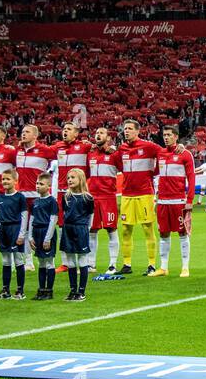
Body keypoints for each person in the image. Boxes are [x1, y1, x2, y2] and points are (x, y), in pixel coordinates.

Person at [115, 119, 164, 275]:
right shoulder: (122, 148)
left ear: (137, 131)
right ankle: (127, 264)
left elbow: (164, 153)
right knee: (125, 230)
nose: (126, 131)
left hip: (145, 194)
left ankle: (151, 265)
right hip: (127, 195)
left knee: (147, 228)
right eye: (125, 129)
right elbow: (119, 166)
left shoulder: (148, 146)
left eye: (130, 128)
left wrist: (154, 172)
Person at [151, 124, 196, 278]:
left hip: (179, 201)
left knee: (182, 233)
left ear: (176, 137)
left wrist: (190, 199)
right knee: (163, 233)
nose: (166, 137)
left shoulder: (185, 154)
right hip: (163, 201)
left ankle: (185, 267)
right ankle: (163, 267)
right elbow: (154, 172)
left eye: (169, 135)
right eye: (164, 135)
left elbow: (191, 178)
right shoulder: (160, 153)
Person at [87, 126, 122, 276]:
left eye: (101, 133)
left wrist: (115, 150)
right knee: (92, 230)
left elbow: (125, 168)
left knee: (111, 229)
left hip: (108, 198)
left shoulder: (114, 154)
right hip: (92, 198)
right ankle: (91, 264)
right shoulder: (90, 153)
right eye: (96, 132)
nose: (98, 135)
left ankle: (112, 265)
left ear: (108, 138)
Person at [61, 169, 96, 301]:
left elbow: (90, 214)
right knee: (70, 260)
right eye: (68, 178)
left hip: (81, 229)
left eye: (73, 177)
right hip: (68, 229)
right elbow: (65, 212)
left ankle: (81, 291)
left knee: (82, 259)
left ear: (80, 179)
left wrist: (87, 228)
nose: (70, 180)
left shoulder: (87, 198)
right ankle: (72, 290)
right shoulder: (66, 196)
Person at [0, 168, 30, 299]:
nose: (5, 181)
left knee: (18, 259)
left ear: (15, 181)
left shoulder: (20, 197)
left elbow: (24, 216)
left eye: (8, 179)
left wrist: (21, 235)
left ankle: (20, 290)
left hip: (15, 229)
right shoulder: (0, 198)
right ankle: (5, 289)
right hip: (3, 230)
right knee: (5, 260)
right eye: (3, 179)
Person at [29, 173, 59, 301]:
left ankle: (49, 290)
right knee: (41, 262)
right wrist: (30, 237)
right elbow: (31, 219)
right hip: (37, 233)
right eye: (37, 183)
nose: (38, 186)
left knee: (49, 261)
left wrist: (48, 238)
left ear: (48, 186)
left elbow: (53, 220)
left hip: (46, 232)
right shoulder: (35, 202)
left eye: (41, 184)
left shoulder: (52, 201)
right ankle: (41, 290)